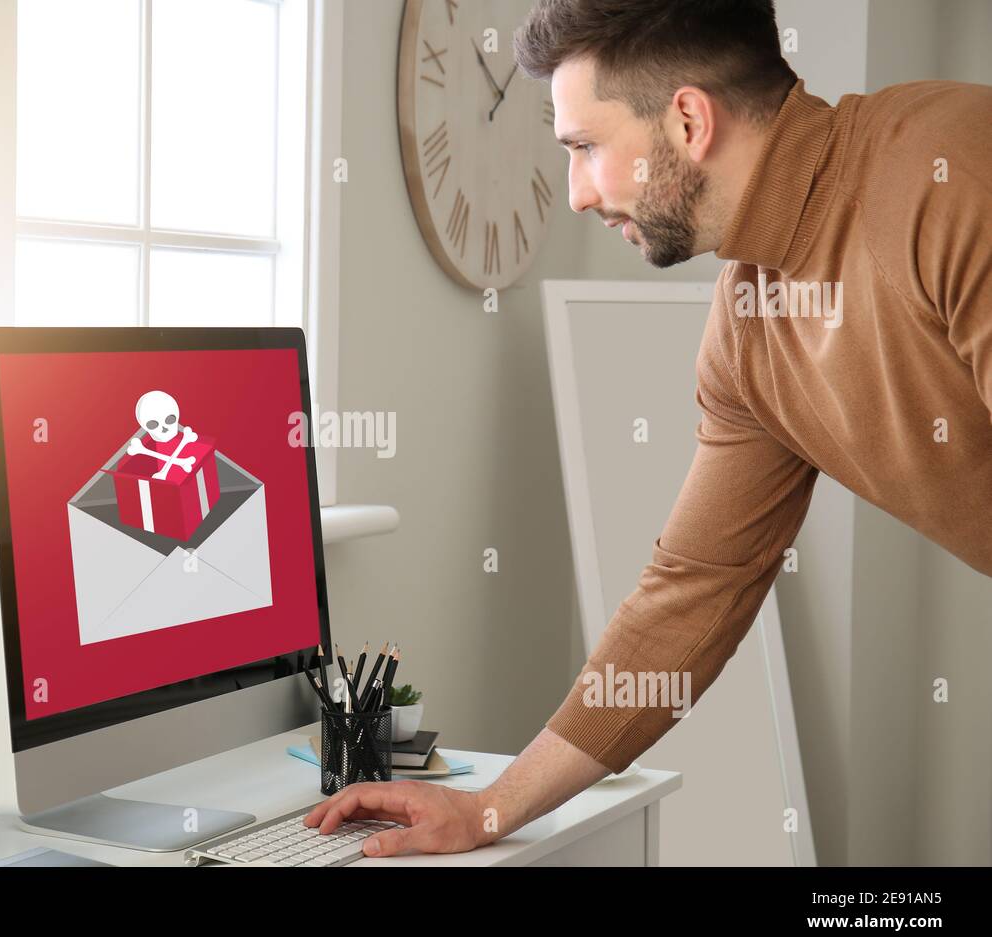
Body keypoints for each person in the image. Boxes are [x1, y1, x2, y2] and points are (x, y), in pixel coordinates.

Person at [306, 0, 992, 858]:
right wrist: (490, 808)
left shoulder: (951, 178)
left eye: (585, 148)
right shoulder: (748, 326)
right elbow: (693, 591)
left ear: (690, 119)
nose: (577, 194)